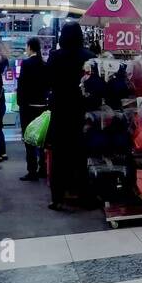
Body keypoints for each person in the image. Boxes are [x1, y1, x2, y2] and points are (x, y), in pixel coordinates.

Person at [47, 21, 95, 211]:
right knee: (81, 156)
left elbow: (49, 81)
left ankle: (57, 198)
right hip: (81, 112)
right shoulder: (89, 56)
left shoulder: (54, 56)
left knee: (59, 156)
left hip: (60, 111)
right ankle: (83, 195)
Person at [17, 37, 50, 181]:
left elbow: (22, 86)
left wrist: (20, 103)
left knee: (29, 138)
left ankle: (32, 170)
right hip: (43, 106)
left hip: (28, 107)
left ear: (30, 47)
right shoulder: (44, 64)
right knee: (42, 138)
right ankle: (43, 168)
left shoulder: (26, 63)